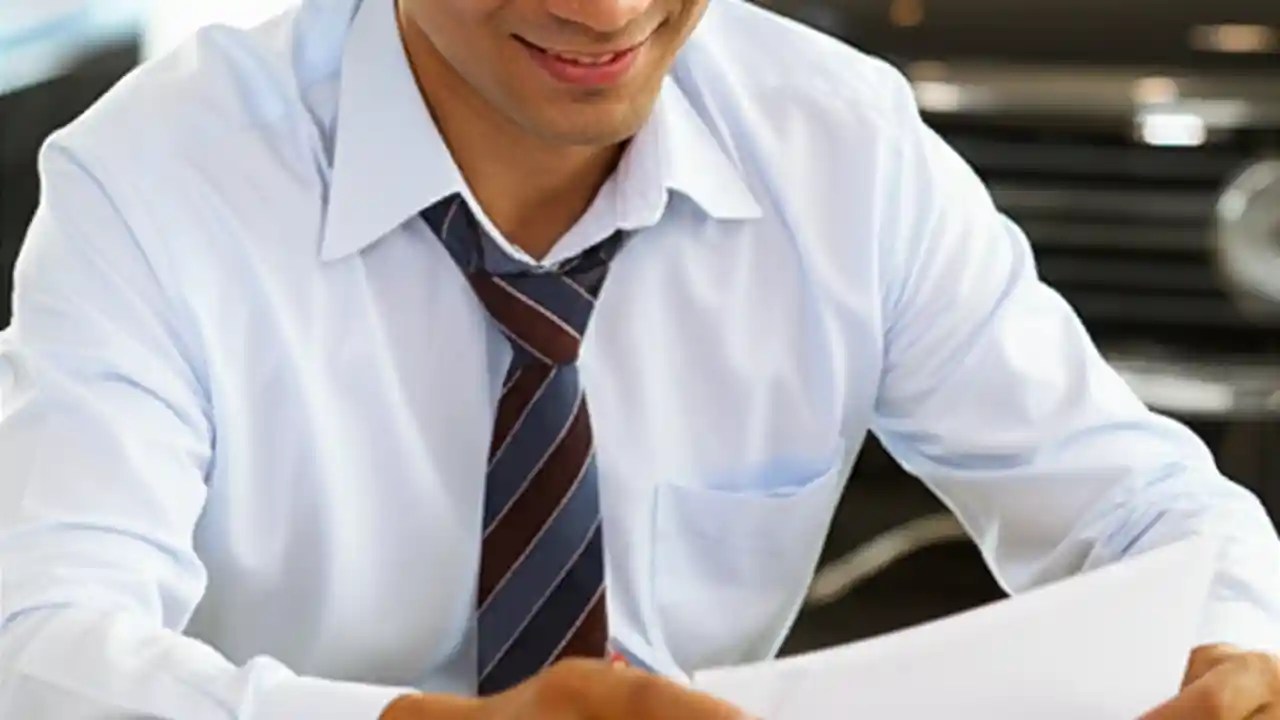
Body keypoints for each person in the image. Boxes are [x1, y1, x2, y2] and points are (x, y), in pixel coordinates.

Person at [0, 0, 1277, 716]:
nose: (607, 11)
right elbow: (40, 649)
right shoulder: (154, 178)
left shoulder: (837, 144)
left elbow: (1152, 509)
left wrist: (1225, 653)